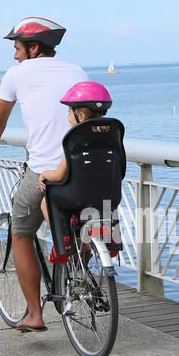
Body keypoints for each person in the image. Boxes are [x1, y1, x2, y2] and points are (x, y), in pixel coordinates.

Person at [0, 17, 86, 332]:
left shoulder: (16, 75)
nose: (15, 55)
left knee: (20, 233)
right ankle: (80, 263)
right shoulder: (76, 72)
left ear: (33, 47)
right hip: (80, 168)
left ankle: (35, 315)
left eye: (17, 48)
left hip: (43, 170)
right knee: (79, 221)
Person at [39, 81, 123, 260]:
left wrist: (45, 174)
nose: (68, 117)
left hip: (77, 197)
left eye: (69, 112)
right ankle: (111, 240)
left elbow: (59, 175)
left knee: (47, 201)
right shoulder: (111, 138)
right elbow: (120, 171)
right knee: (104, 198)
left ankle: (63, 246)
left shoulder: (76, 140)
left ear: (81, 115)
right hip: (110, 196)